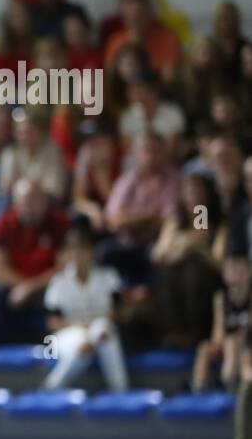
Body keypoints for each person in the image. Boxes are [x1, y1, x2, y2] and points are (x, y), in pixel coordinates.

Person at [0, 178, 68, 345]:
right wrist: (22, 286)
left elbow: (65, 266)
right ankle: (3, 351)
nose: (32, 207)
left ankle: (55, 344)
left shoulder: (60, 223)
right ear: (16, 204)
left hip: (48, 286)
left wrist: (32, 287)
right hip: (14, 288)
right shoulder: (4, 224)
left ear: (46, 201)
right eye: (26, 201)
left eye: (37, 200)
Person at [42, 224, 129, 392]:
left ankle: (119, 389)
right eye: (73, 251)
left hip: (102, 332)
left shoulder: (109, 277)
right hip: (68, 334)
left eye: (83, 250)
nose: (78, 256)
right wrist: (82, 329)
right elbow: (53, 322)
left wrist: (93, 331)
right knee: (82, 344)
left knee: (103, 328)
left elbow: (118, 312)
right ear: (66, 255)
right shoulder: (58, 283)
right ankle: (50, 388)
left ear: (92, 252)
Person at [150, 172, 225, 348]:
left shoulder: (204, 214)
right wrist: (177, 248)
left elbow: (198, 238)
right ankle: (175, 331)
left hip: (206, 275)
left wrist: (179, 247)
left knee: (193, 270)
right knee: (166, 272)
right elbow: (159, 254)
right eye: (189, 190)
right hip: (176, 274)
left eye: (198, 190)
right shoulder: (175, 219)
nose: (193, 195)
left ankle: (195, 333)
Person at [98, 132, 180, 286]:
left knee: (163, 257)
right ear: (135, 152)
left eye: (155, 149)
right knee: (103, 253)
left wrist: (132, 219)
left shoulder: (174, 180)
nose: (150, 155)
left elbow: (168, 220)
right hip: (126, 241)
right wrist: (150, 217)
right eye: (145, 149)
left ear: (163, 152)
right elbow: (115, 221)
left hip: (157, 242)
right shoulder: (126, 180)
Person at [192, 252, 250, 394]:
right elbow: (218, 331)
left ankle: (230, 389)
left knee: (232, 344)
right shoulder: (221, 298)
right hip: (227, 342)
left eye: (238, 270)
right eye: (230, 270)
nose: (234, 275)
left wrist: (237, 340)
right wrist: (219, 342)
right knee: (204, 348)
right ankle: (198, 391)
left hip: (246, 345)